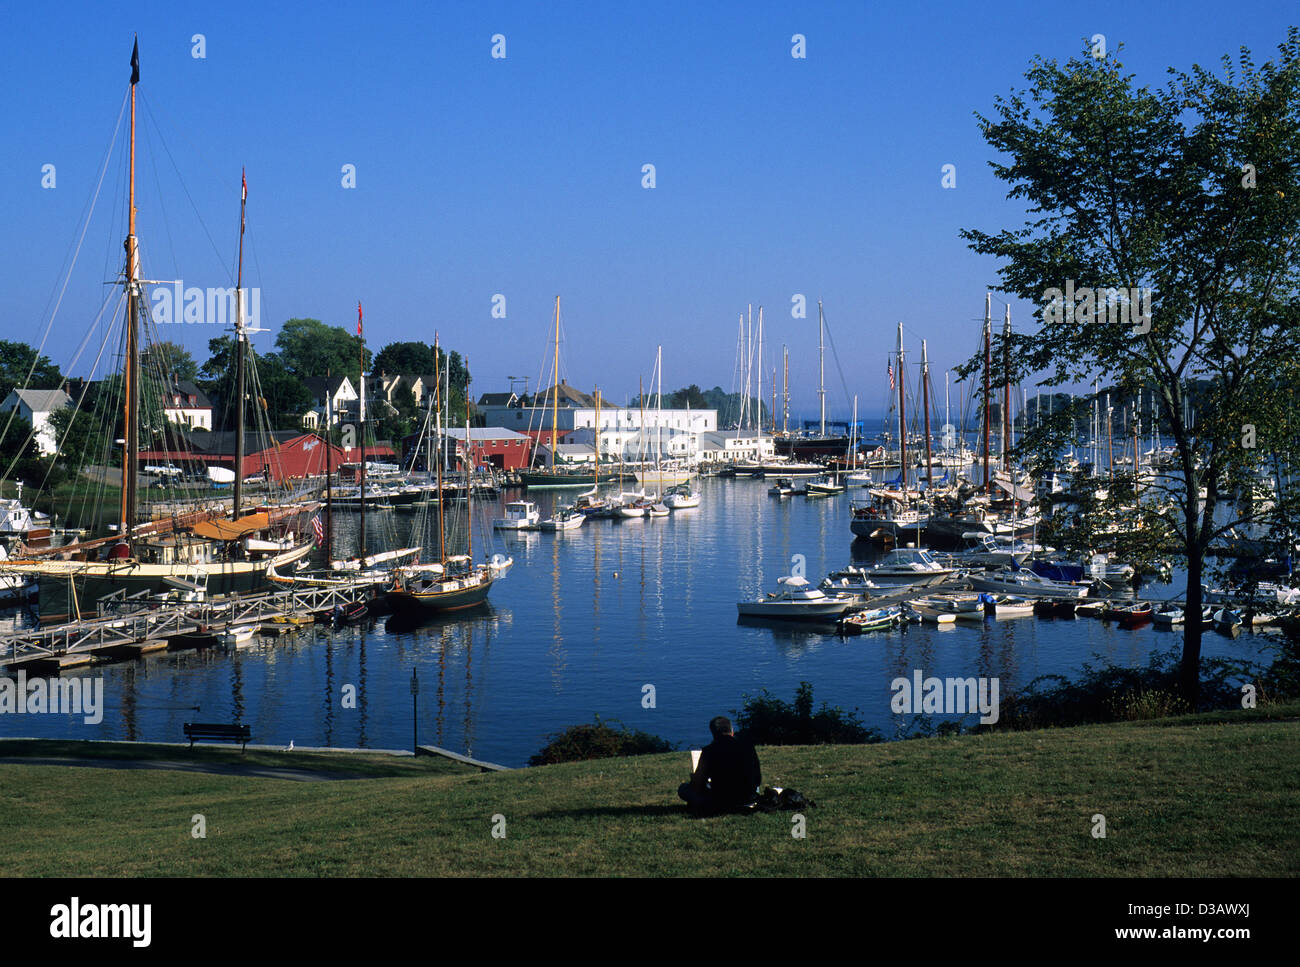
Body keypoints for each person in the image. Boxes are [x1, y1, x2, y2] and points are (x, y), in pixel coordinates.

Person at [678, 716, 761, 816]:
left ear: (713, 734)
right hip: (749, 797)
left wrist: (694, 778)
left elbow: (698, 784)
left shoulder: (709, 751)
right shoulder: (748, 747)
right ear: (732, 731)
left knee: (683, 789)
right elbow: (757, 779)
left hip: (722, 800)